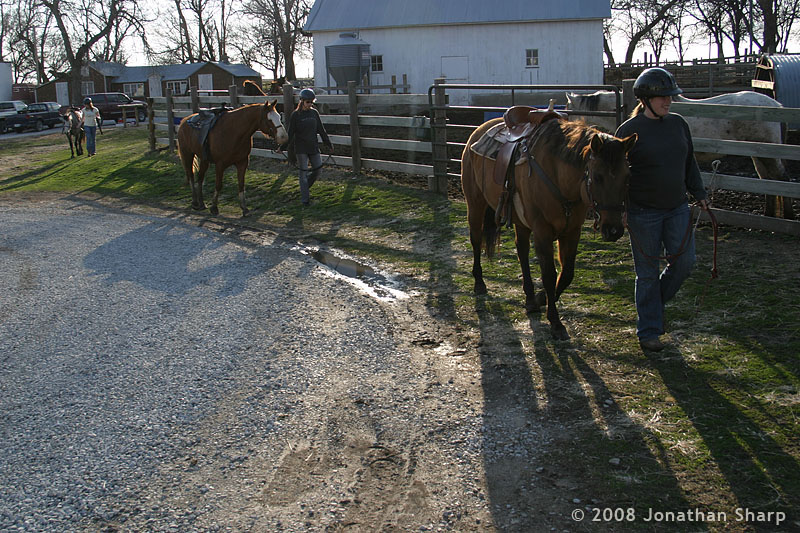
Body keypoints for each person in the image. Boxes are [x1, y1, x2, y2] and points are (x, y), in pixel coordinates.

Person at [615, 67, 711, 352]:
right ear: (645, 100)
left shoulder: (678, 124)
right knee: (646, 273)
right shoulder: (629, 131)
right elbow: (616, 175)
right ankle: (649, 331)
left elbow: (689, 162)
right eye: (662, 98)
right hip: (643, 212)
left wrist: (700, 192)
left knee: (685, 263)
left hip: (678, 207)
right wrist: (622, 208)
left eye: (670, 97)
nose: (668, 102)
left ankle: (652, 306)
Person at [282, 88, 332, 206]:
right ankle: (305, 200)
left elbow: (321, 129)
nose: (310, 104)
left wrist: (328, 143)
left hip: (313, 146)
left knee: (318, 170)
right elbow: (290, 133)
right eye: (307, 102)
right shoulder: (296, 115)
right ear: (302, 101)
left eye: (311, 102)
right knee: (303, 173)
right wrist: (283, 147)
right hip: (301, 149)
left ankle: (304, 188)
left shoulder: (314, 113)